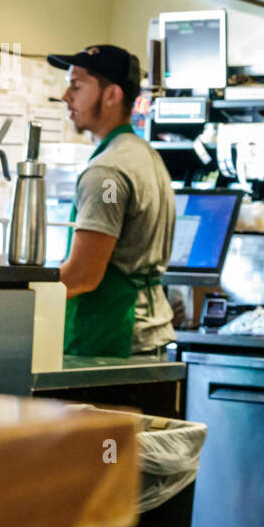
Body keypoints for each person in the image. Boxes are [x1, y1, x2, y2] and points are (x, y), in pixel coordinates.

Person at [49, 44, 177, 358]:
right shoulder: (145, 156)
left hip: (113, 338)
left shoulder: (106, 171)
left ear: (112, 95)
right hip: (151, 336)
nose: (66, 96)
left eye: (77, 86)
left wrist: (13, 296)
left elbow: (82, 276)